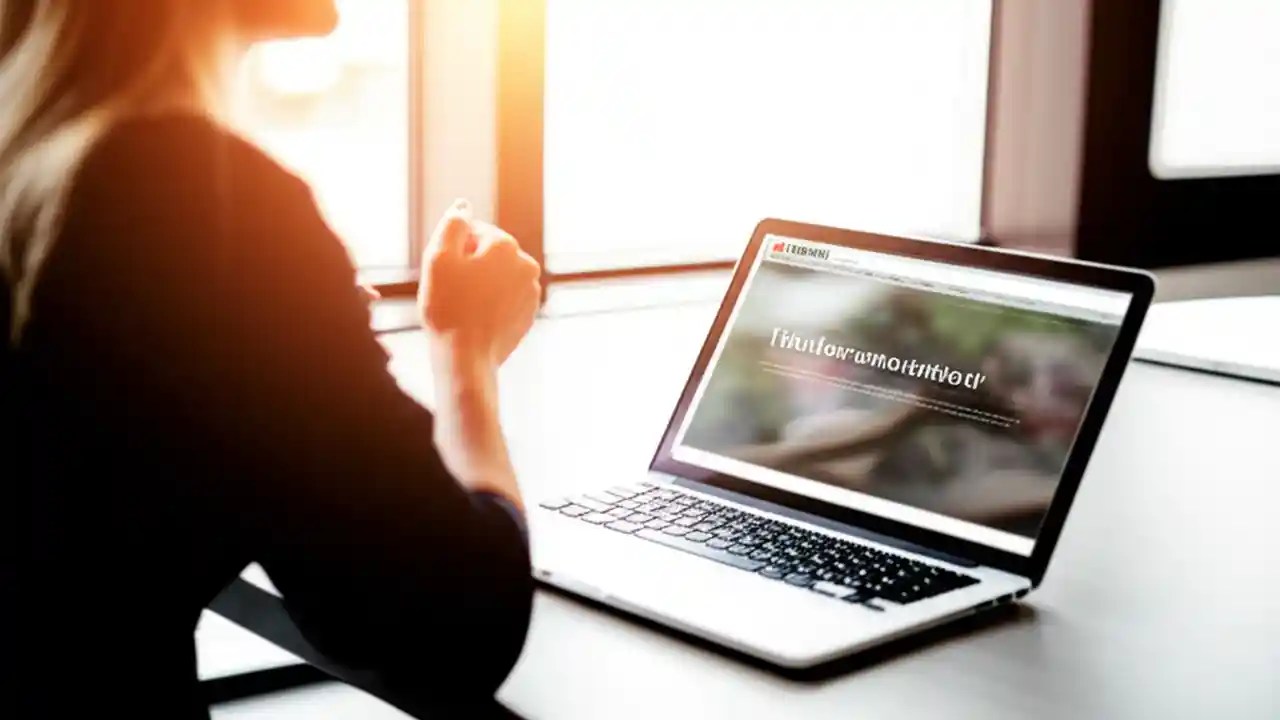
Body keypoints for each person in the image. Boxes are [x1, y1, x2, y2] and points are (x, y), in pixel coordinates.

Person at [1, 1, 540, 716]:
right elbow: (449, 635)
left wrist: (299, 339)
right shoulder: (191, 198)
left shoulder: (36, 161)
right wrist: (466, 349)